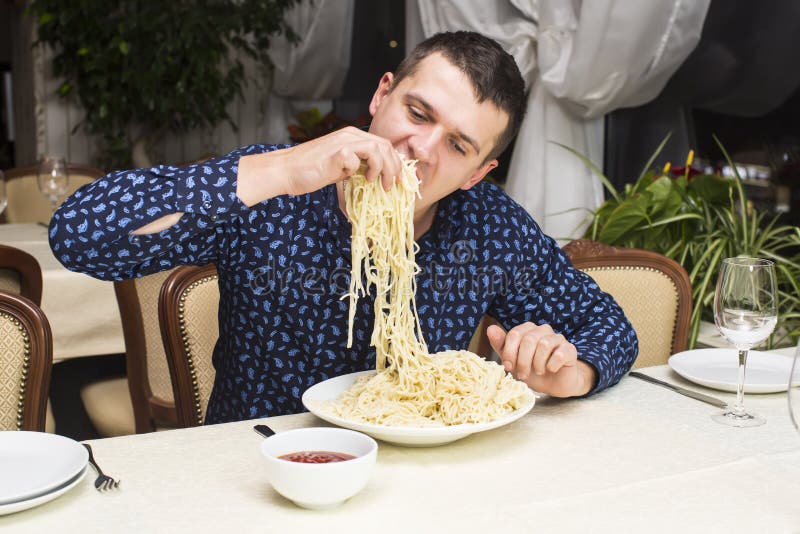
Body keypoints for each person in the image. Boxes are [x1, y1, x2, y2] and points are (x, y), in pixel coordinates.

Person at [50, 31, 638, 424]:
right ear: (382, 95)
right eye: (417, 112)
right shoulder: (277, 186)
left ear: (476, 173)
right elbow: (79, 236)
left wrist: (572, 370)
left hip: (416, 474)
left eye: (457, 145)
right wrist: (279, 169)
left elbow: (610, 327)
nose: (421, 148)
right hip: (261, 467)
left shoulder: (488, 226)